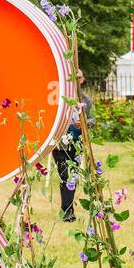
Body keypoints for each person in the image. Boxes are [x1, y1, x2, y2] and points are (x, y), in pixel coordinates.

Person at [52, 89, 91, 222]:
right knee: (64, 176)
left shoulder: (84, 99)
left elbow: (93, 120)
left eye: (79, 77)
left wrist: (84, 123)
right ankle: (67, 212)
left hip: (77, 145)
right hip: (60, 145)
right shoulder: (59, 98)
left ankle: (67, 210)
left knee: (72, 178)